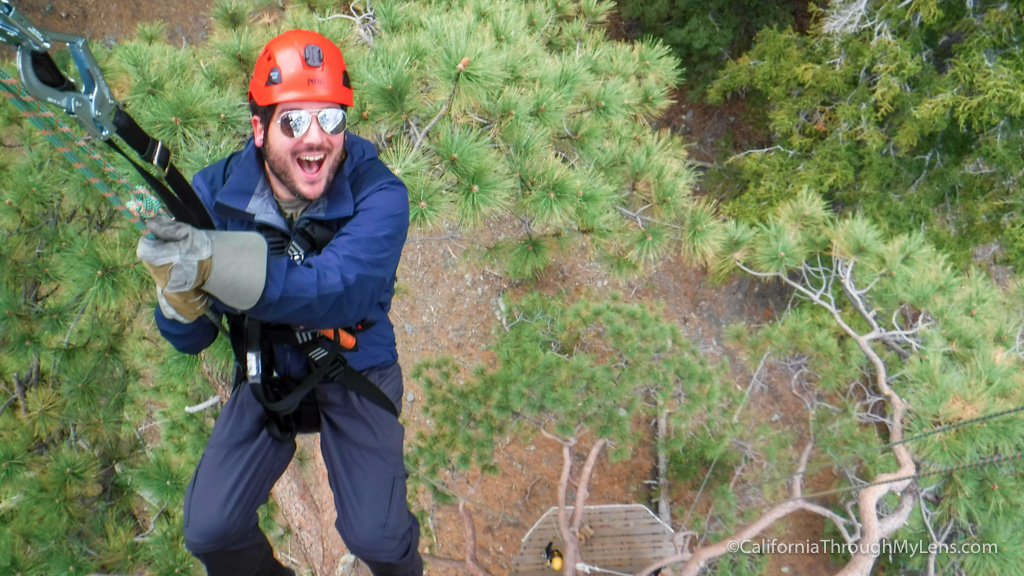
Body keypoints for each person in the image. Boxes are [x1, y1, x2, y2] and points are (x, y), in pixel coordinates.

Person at [136, 30, 422, 576]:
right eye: (293, 121)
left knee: (378, 538)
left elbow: (340, 289)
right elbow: (192, 339)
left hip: (354, 358)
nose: (315, 139)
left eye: (330, 119)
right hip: (266, 365)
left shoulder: (380, 192)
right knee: (210, 529)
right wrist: (177, 294)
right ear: (259, 128)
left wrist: (219, 264)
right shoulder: (214, 193)